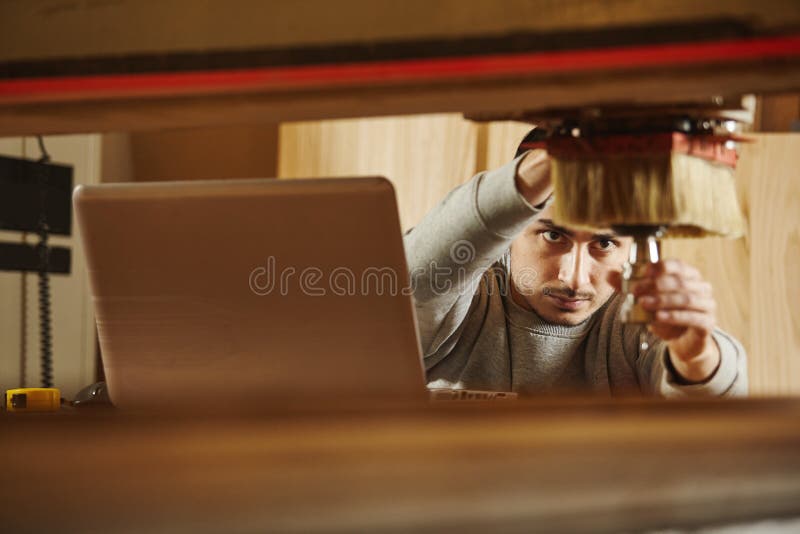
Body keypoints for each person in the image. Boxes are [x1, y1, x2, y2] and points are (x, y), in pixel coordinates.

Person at [404, 139, 747, 397]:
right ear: (511, 231)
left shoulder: (634, 322)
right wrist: (567, 149)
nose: (573, 277)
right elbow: (419, 268)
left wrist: (695, 356)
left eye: (604, 243)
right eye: (553, 235)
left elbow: (717, 410)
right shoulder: (462, 302)